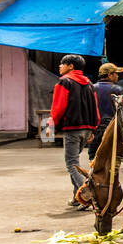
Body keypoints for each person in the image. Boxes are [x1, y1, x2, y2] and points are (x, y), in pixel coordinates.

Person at [49, 54, 101, 208]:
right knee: (75, 163)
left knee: (71, 164)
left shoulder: (64, 82)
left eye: (62, 64)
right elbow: (95, 108)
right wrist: (93, 128)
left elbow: (58, 108)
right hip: (87, 129)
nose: (60, 66)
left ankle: (87, 194)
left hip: (72, 128)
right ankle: (76, 198)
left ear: (70, 66)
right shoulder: (90, 84)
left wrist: (53, 124)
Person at [87, 62, 123, 160]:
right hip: (112, 127)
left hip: (94, 127)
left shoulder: (91, 88)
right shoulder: (118, 90)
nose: (117, 76)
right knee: (111, 157)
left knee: (93, 157)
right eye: (116, 73)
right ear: (110, 75)